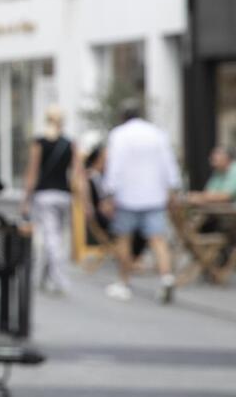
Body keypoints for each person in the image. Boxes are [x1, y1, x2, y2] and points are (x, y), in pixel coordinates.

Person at [101, 99, 180, 303]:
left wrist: (109, 193)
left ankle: (124, 282)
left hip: (128, 196)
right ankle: (166, 277)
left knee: (124, 238)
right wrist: (172, 189)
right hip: (154, 195)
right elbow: (168, 163)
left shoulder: (119, 135)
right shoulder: (156, 133)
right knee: (157, 239)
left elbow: (114, 166)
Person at [20, 105, 83, 296]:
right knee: (55, 236)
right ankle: (43, 277)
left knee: (50, 238)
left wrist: (25, 198)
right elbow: (78, 174)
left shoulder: (40, 142)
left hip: (44, 195)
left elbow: (32, 172)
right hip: (63, 195)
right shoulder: (69, 143)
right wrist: (83, 199)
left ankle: (58, 278)